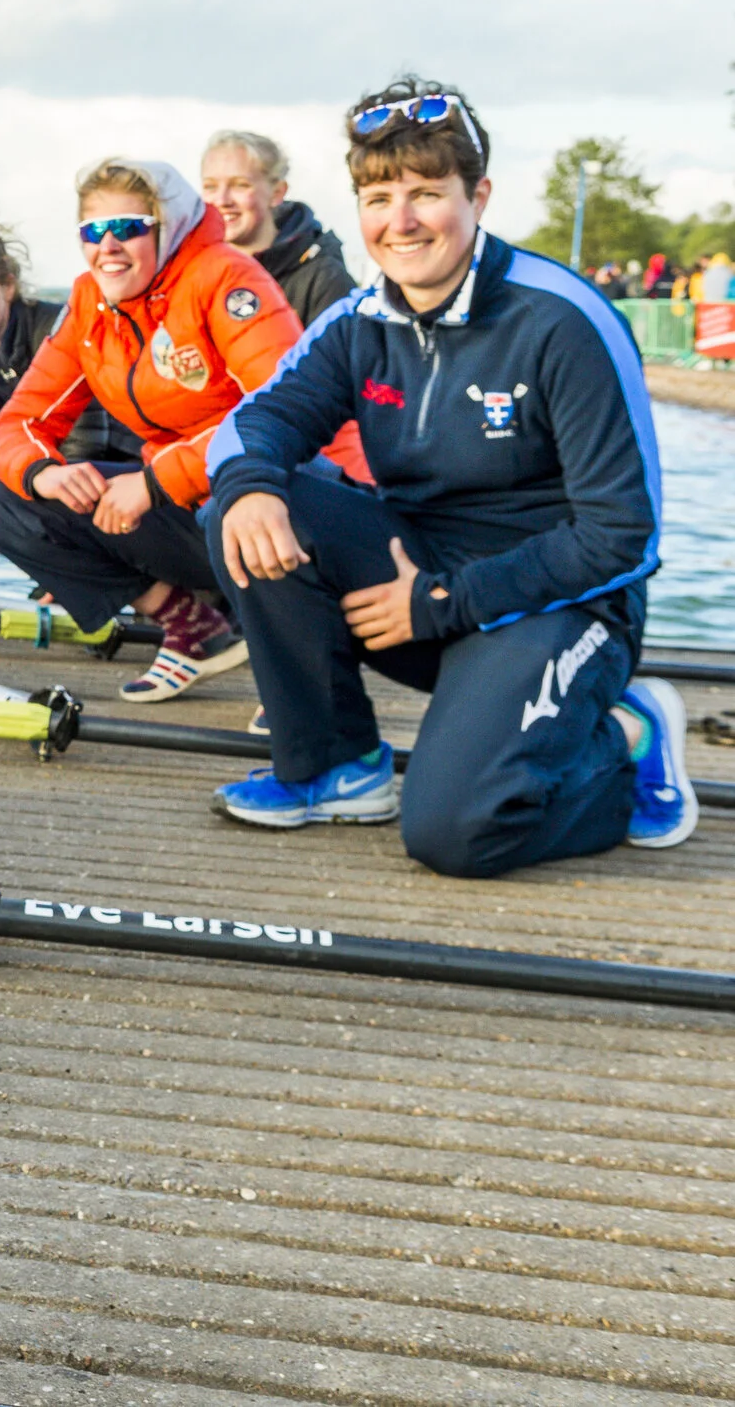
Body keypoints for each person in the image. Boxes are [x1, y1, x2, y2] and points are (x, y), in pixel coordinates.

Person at [205, 78, 692, 870]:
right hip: (423, 582)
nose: (400, 221)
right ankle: (336, 764)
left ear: (479, 196)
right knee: (243, 501)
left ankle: (624, 738)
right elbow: (254, 423)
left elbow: (623, 539)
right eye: (378, 197)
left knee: (457, 832)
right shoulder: (358, 320)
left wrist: (442, 601)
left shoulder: (561, 318)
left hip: (559, 604)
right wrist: (249, 487)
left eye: (427, 193)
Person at [0, 158, 366, 702]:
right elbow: (18, 424)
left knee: (235, 501)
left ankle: (306, 676)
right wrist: (44, 474)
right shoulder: (91, 301)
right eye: (93, 231)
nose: (109, 246)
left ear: (169, 225)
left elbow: (282, 413)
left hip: (305, 494)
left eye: (129, 227)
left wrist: (156, 482)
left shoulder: (225, 277)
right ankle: (193, 627)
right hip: (190, 493)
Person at [0, 209, 140, 594]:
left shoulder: (53, 328)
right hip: (66, 477)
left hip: (124, 467)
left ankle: (117, 584)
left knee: (8, 492)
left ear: (7, 286)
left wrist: (63, 572)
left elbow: (86, 440)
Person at [200, 130, 359, 326]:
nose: (222, 200)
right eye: (210, 186)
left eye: (240, 185)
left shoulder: (323, 280)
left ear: (277, 193)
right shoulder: (194, 275)